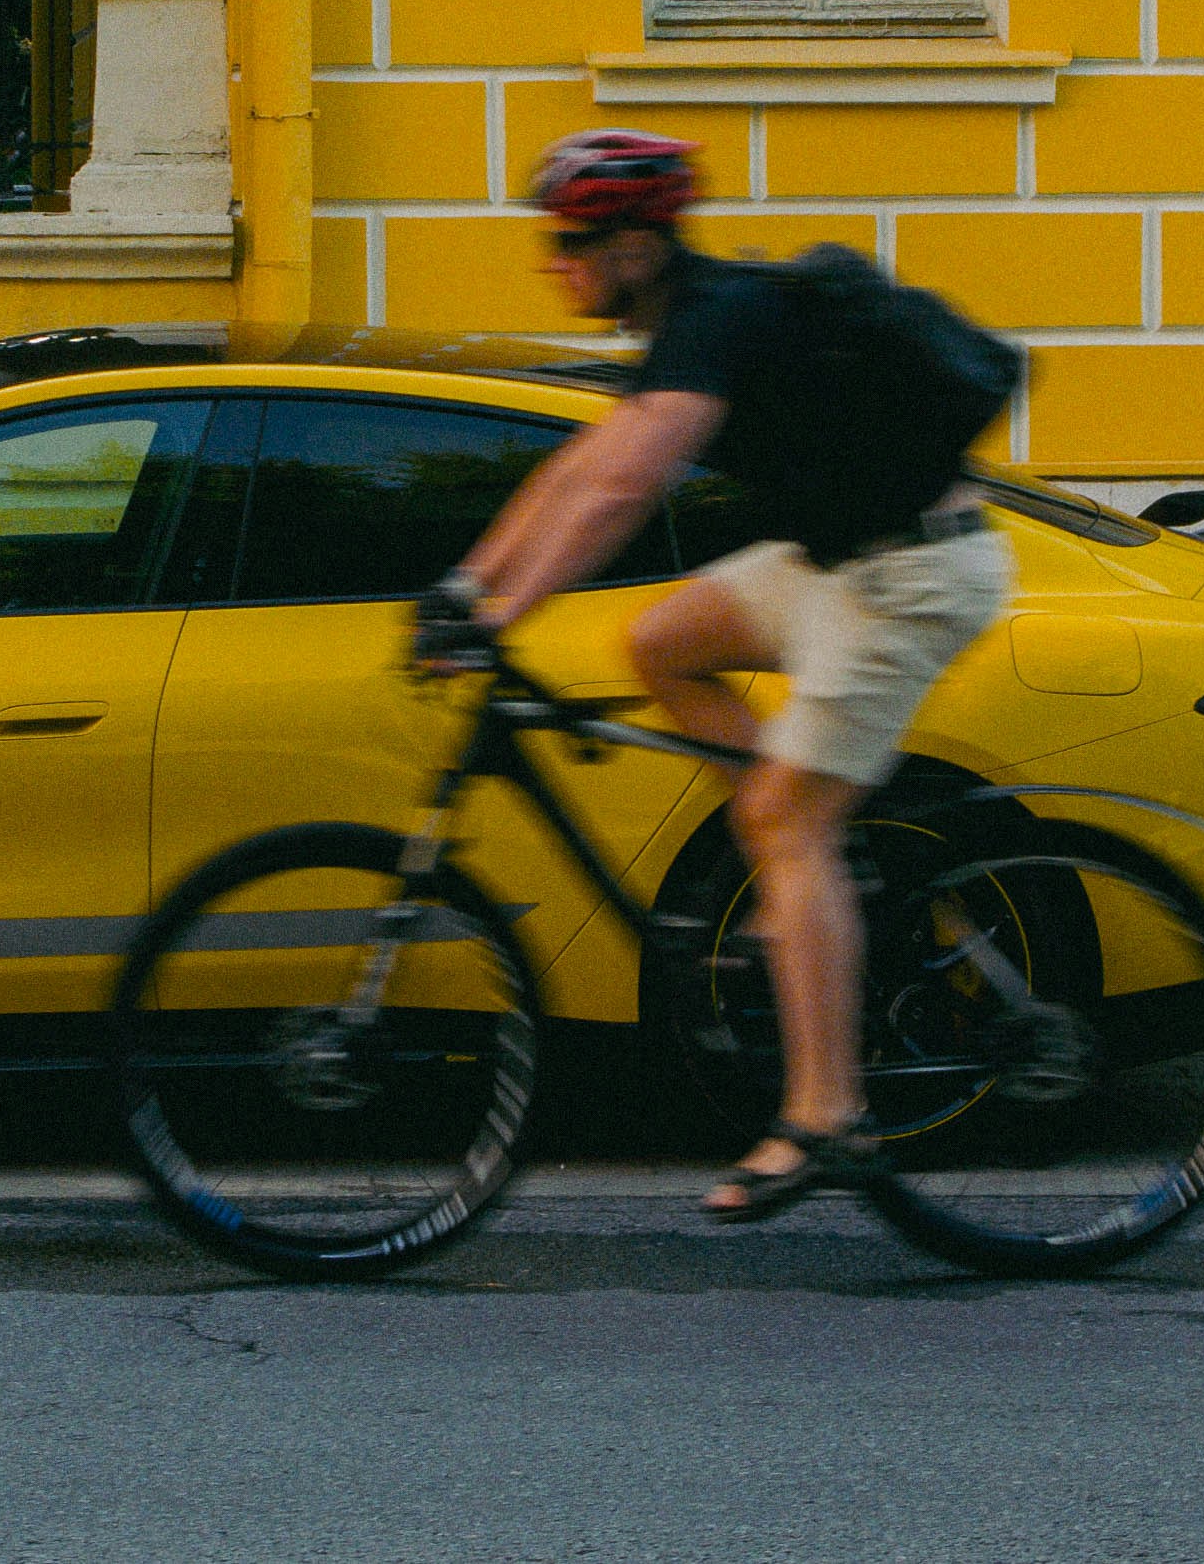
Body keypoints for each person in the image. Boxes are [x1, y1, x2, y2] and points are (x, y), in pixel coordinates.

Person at [415, 128, 1015, 1221]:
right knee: (659, 644)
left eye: (574, 241)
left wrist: (506, 611)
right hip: (836, 563)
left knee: (789, 821)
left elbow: (623, 490)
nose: (556, 261)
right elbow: (577, 466)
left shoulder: (717, 318)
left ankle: (824, 1114)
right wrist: (466, 581)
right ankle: (804, 851)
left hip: (916, 579)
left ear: (638, 244)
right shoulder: (684, 328)